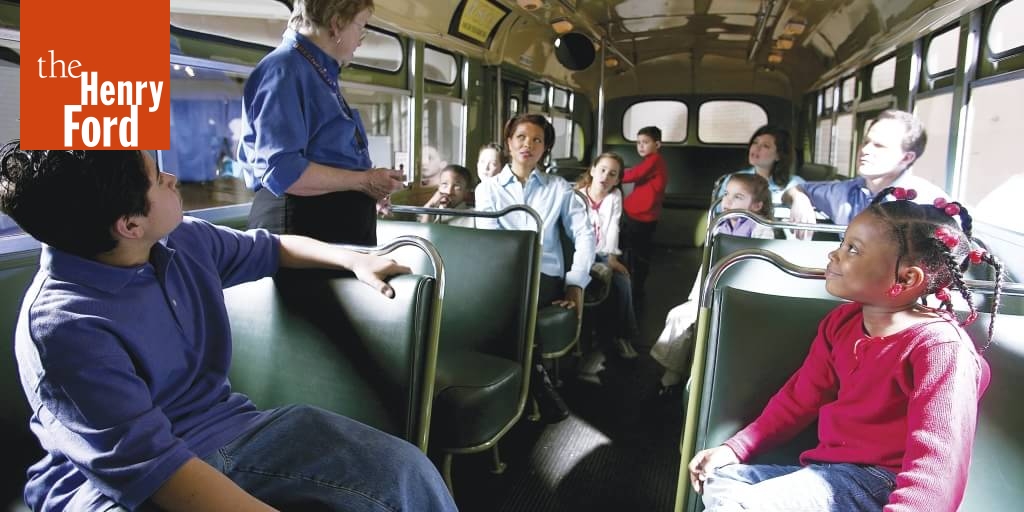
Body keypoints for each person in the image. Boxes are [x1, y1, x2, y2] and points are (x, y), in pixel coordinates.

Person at [0, 142, 457, 512]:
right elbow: (156, 470)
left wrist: (353, 258)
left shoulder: (183, 240)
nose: (173, 179)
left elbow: (273, 247)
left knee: (403, 470)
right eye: (159, 180)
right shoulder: (63, 328)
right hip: (108, 484)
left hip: (228, 426)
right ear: (129, 224)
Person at [689, 186, 1004, 511]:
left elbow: (938, 466)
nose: (833, 255)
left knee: (741, 507)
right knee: (719, 478)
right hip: (828, 474)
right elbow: (800, 398)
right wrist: (736, 449)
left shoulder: (940, 350)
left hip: (882, 486)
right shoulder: (843, 322)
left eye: (853, 250)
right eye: (842, 243)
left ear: (907, 278)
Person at [238, 0, 405, 245]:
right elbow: (283, 170)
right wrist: (364, 181)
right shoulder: (285, 69)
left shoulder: (317, 71)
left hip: (326, 223)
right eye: (361, 26)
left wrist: (366, 189)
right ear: (337, 24)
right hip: (302, 226)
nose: (362, 38)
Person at [476, 113, 596, 422]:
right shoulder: (487, 190)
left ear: (546, 148)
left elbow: (583, 235)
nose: (528, 144)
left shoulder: (559, 189)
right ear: (509, 143)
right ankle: (532, 383)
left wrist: (576, 281)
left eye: (537, 140)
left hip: (545, 275)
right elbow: (488, 244)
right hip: (502, 275)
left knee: (512, 305)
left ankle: (519, 391)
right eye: (521, 138)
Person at [650, 173, 775, 395]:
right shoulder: (720, 226)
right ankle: (674, 373)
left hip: (743, 298)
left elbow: (759, 272)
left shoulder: (761, 231)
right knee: (678, 316)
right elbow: (706, 267)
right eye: (726, 194)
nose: (727, 202)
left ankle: (673, 376)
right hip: (712, 292)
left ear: (756, 205)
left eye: (737, 197)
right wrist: (698, 297)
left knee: (685, 320)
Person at [784, 110, 946, 238]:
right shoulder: (845, 192)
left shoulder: (929, 203)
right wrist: (800, 199)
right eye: (866, 142)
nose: (865, 150)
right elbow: (797, 189)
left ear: (906, 157)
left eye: (879, 146)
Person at [576, 152, 640, 360]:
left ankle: (623, 336)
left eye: (612, 174)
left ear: (618, 180)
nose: (605, 177)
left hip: (602, 253)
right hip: (579, 253)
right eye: (602, 170)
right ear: (593, 170)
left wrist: (611, 259)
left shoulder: (614, 197)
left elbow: (613, 227)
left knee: (623, 281)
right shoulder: (577, 196)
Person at [620, 125, 668, 301]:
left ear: (657, 144)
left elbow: (634, 174)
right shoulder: (652, 160)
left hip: (642, 216)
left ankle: (635, 288)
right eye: (638, 142)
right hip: (641, 213)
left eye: (645, 142)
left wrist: (613, 174)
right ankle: (634, 285)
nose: (640, 146)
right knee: (638, 251)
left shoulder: (654, 160)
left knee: (638, 253)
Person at [714, 125, 804, 210]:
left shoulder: (794, 183)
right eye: (755, 142)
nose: (756, 148)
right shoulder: (733, 179)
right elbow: (718, 214)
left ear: (779, 155)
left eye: (765, 146)